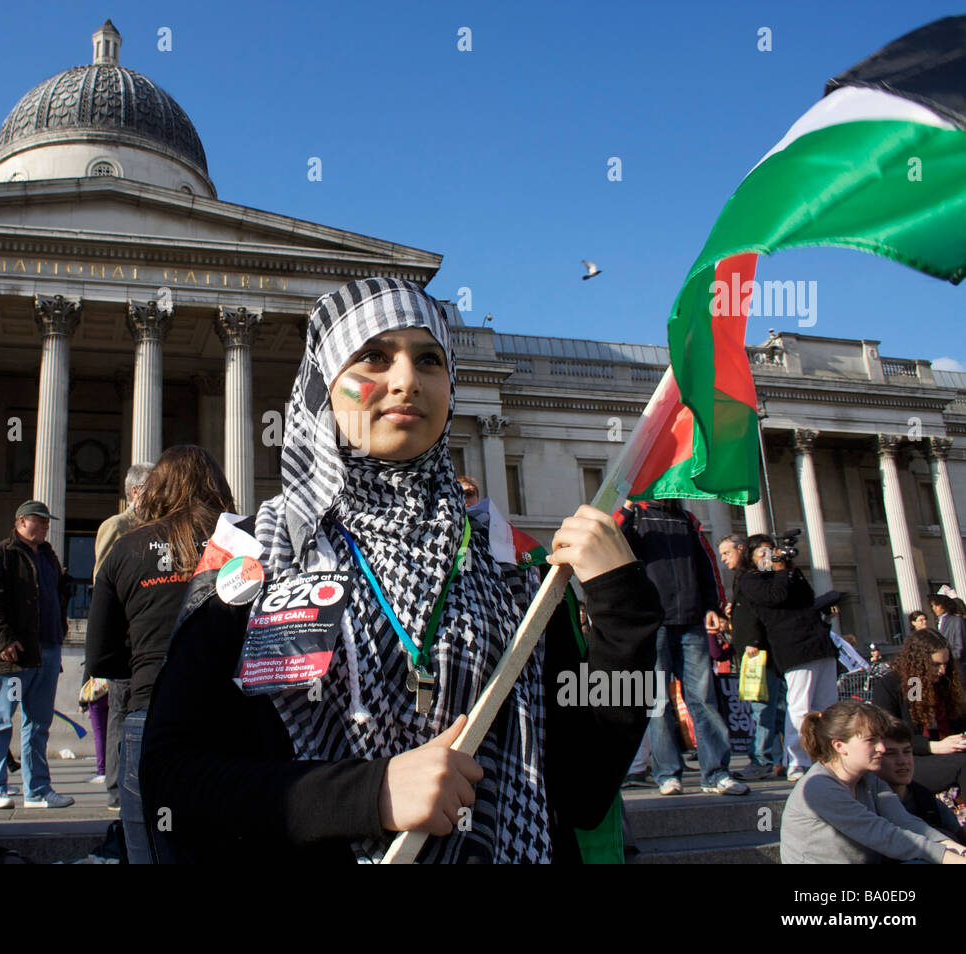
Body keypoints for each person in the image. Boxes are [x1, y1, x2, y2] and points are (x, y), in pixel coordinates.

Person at [140, 277, 663, 863]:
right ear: (325, 385)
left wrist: (623, 610)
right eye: (374, 357)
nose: (406, 380)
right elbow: (171, 782)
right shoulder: (252, 556)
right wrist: (370, 794)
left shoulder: (509, 564)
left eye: (428, 359)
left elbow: (583, 790)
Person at [86, 445, 233, 863]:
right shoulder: (245, 539)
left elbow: (100, 656)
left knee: (151, 847)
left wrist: (145, 668)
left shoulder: (125, 549)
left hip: (149, 713)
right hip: (231, 715)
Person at [618, 500, 746, 796]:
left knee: (703, 700)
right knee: (658, 703)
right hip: (654, 622)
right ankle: (667, 773)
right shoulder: (635, 516)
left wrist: (713, 607)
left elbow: (707, 565)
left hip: (691, 619)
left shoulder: (686, 519)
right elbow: (611, 538)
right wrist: (626, 505)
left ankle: (716, 772)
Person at [779, 699, 966, 864]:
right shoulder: (818, 787)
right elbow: (884, 835)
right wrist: (950, 859)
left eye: (880, 739)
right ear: (839, 746)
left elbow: (904, 822)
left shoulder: (869, 779)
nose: (882, 748)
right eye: (871, 740)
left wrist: (956, 849)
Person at [0, 500, 74, 809]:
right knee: (1, 720)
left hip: (47, 649)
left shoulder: (48, 556)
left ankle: (37, 789)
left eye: (48, 521)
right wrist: (3, 640)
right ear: (21, 522)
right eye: (40, 520)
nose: (46, 526)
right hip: (14, 656)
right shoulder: (1, 555)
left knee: (38, 723)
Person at [737, 533, 838, 781]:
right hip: (792, 647)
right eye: (763, 552)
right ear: (750, 557)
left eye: (772, 551)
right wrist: (782, 571)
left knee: (827, 707)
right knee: (800, 707)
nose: (769, 557)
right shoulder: (751, 580)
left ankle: (826, 756)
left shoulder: (788, 575)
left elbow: (807, 599)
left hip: (818, 644)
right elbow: (776, 597)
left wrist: (789, 570)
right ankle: (796, 761)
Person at [92, 461, 152, 809]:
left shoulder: (154, 527)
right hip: (127, 639)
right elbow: (102, 582)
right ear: (135, 492)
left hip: (147, 637)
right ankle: (116, 787)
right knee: (119, 713)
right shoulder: (117, 526)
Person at [717, 533, 785, 780]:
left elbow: (757, 610)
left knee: (762, 709)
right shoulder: (747, 577)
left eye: (727, 553)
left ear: (741, 549)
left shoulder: (752, 576)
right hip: (760, 650)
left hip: (757, 652)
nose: (723, 559)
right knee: (773, 708)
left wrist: (752, 641)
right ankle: (777, 759)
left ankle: (762, 760)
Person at [871, 629, 966, 797]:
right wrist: (934, 746)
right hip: (908, 759)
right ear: (919, 663)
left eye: (946, 664)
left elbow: (959, 722)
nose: (943, 671)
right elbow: (891, 735)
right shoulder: (893, 686)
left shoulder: (946, 684)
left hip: (945, 753)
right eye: (936, 665)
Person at [875, 722, 966, 843]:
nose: (902, 761)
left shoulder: (926, 800)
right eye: (891, 754)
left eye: (907, 752)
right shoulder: (865, 803)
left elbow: (960, 837)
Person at [929, 594, 965, 667]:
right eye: (932, 606)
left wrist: (944, 660)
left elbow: (960, 647)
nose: (934, 608)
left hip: (956, 666)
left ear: (944, 605)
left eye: (937, 605)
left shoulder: (956, 620)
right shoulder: (937, 622)